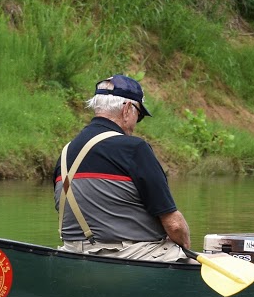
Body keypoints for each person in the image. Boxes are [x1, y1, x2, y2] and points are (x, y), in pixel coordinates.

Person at [54, 75, 193, 262]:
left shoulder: (65, 152)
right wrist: (184, 245)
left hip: (71, 256)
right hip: (127, 257)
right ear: (127, 109)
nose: (137, 123)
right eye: (140, 115)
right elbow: (174, 226)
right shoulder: (134, 149)